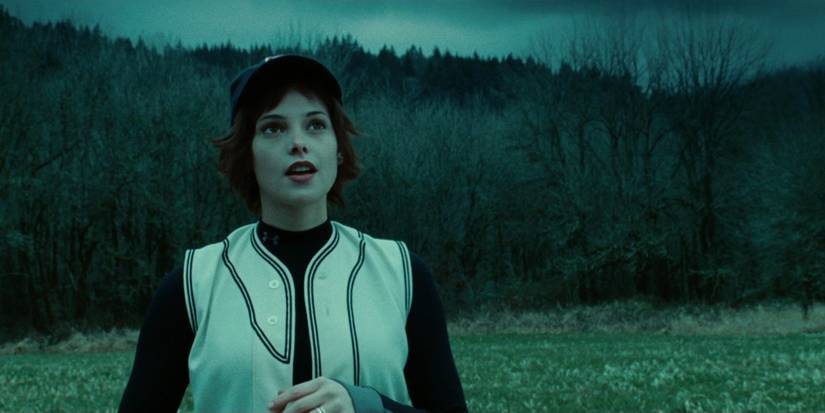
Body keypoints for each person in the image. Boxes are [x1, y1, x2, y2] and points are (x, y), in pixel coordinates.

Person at [118, 55, 468, 413]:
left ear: (338, 149)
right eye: (273, 128)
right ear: (247, 154)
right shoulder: (194, 283)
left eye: (316, 125)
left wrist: (367, 406)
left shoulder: (401, 273)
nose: (298, 143)